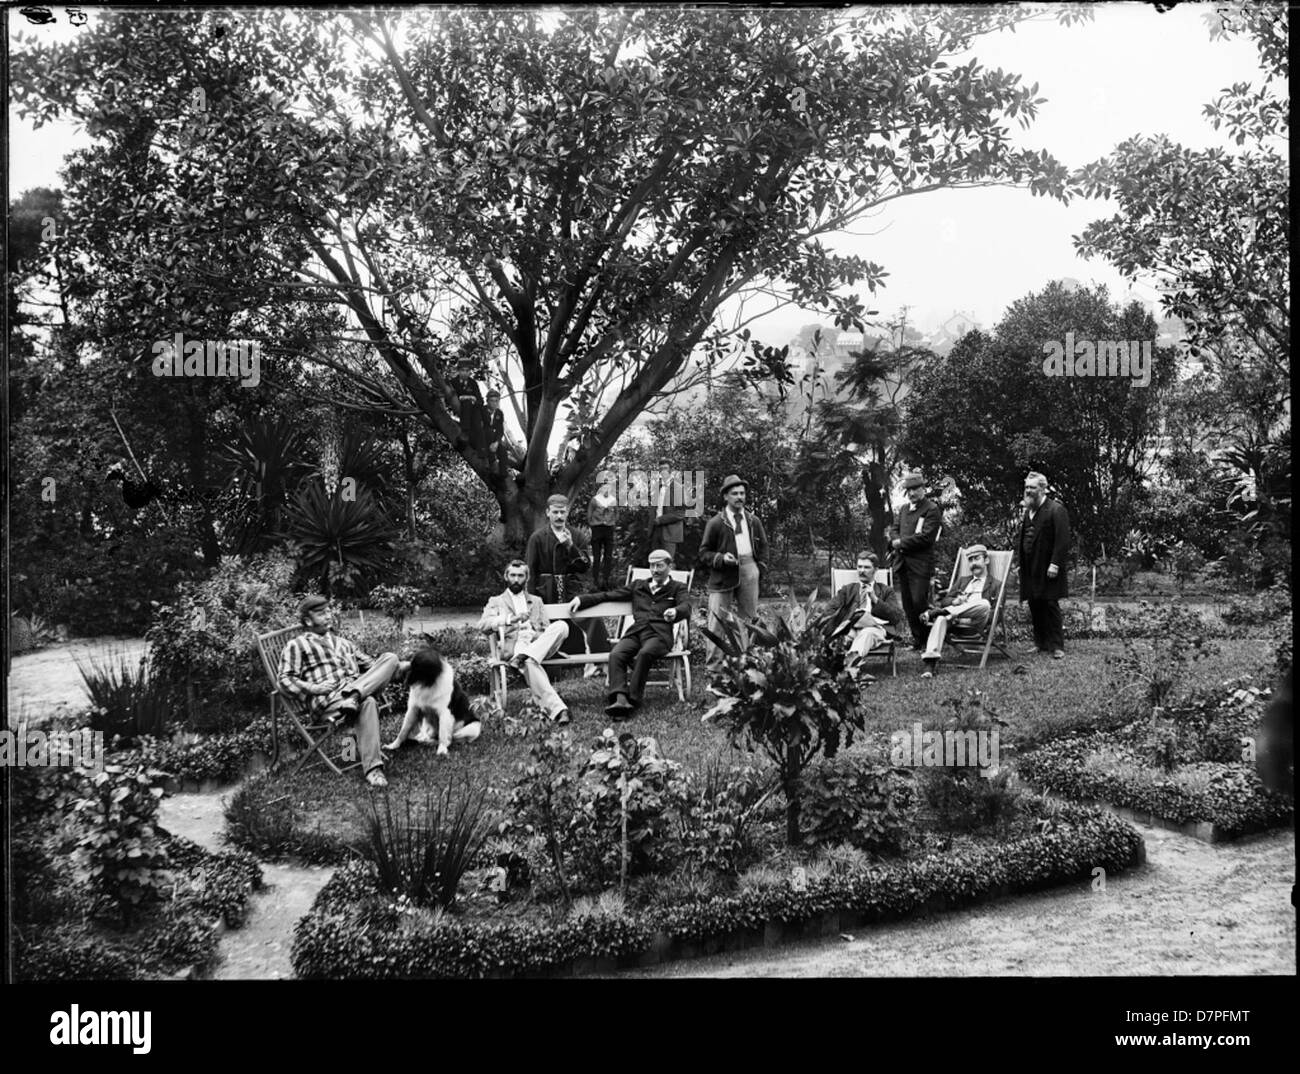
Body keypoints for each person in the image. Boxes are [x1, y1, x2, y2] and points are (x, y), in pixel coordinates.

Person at [277, 595, 406, 788]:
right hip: (328, 700)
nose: (328, 616)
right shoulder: (297, 645)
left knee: (390, 658)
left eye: (328, 611)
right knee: (369, 701)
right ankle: (373, 769)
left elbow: (373, 667)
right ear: (307, 620)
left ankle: (354, 697)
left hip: (353, 698)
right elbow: (284, 680)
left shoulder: (344, 643)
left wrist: (401, 666)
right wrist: (314, 688)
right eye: (321, 613)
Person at [572, 549, 690, 720]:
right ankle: (619, 698)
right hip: (636, 632)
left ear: (670, 566)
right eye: (652, 566)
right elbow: (609, 595)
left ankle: (633, 700)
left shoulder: (678, 588)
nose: (655, 570)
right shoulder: (638, 585)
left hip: (659, 636)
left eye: (659, 566)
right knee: (617, 654)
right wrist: (582, 600)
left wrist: (675, 611)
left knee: (645, 653)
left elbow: (686, 606)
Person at [478, 560, 572, 724]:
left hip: (538, 645)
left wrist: (535, 635)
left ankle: (523, 656)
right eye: (512, 575)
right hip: (515, 644)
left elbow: (546, 629)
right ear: (506, 577)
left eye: (520, 575)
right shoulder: (496, 601)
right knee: (529, 663)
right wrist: (509, 619)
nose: (516, 579)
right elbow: (483, 625)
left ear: (526, 578)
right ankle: (559, 710)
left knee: (562, 626)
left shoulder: (536, 601)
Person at [525, 493, 609, 661]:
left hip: (572, 589)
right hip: (546, 591)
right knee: (551, 626)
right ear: (547, 512)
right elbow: (530, 572)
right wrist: (530, 599)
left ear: (567, 512)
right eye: (555, 512)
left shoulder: (577, 536)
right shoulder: (537, 538)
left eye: (562, 512)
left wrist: (571, 546)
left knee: (593, 619)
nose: (559, 516)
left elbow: (585, 566)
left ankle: (601, 660)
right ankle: (551, 660)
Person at [699, 474, 768, 671]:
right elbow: (703, 552)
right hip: (723, 574)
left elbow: (764, 546)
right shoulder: (716, 523)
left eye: (742, 493)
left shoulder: (753, 520)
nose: (740, 497)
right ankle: (714, 668)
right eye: (735, 493)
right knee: (717, 622)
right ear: (725, 497)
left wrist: (760, 566)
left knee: (748, 620)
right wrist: (721, 559)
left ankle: (746, 665)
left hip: (749, 569)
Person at [918, 544, 992, 677]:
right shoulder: (963, 581)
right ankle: (930, 663)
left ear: (986, 560)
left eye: (977, 558)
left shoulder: (996, 584)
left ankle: (943, 612)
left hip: (976, 622)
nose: (973, 563)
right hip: (956, 621)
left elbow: (997, 610)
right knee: (941, 619)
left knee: (985, 604)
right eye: (970, 560)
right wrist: (955, 602)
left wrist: (967, 607)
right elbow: (944, 601)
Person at [887, 472, 943, 650]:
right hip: (903, 562)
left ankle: (928, 640)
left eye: (915, 489)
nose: (911, 493)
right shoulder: (903, 509)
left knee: (920, 603)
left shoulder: (931, 509)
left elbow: (927, 537)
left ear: (923, 489)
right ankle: (917, 640)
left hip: (920, 564)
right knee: (908, 604)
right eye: (908, 490)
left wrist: (900, 542)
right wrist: (896, 540)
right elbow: (894, 529)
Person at [1018, 472, 1070, 659]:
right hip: (1031, 567)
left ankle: (1057, 645)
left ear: (1042, 489)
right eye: (1026, 488)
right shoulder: (1028, 511)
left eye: (1032, 488)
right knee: (1034, 603)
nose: (1028, 491)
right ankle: (1040, 643)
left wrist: (1055, 564)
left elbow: (1062, 541)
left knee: (1049, 603)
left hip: (1048, 567)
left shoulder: (1056, 510)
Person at [829, 550, 904, 679]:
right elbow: (829, 610)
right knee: (843, 637)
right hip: (851, 628)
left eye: (866, 567)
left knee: (867, 633)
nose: (862, 570)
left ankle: (848, 669)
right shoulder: (848, 590)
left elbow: (896, 616)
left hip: (875, 629)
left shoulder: (886, 591)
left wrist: (875, 600)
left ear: (875, 570)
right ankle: (838, 666)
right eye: (859, 567)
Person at [587, 477, 618, 590]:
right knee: (596, 556)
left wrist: (612, 522)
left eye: (609, 486)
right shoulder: (595, 500)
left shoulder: (613, 500)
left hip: (608, 529)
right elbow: (589, 514)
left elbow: (617, 513)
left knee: (608, 555)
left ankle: (606, 579)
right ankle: (595, 579)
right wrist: (593, 524)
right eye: (605, 486)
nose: (607, 489)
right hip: (597, 528)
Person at [650, 468, 684, 564]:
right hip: (656, 530)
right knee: (654, 561)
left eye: (665, 474)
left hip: (670, 531)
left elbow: (681, 513)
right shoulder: (657, 489)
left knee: (667, 562)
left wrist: (661, 520)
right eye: (660, 473)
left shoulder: (678, 488)